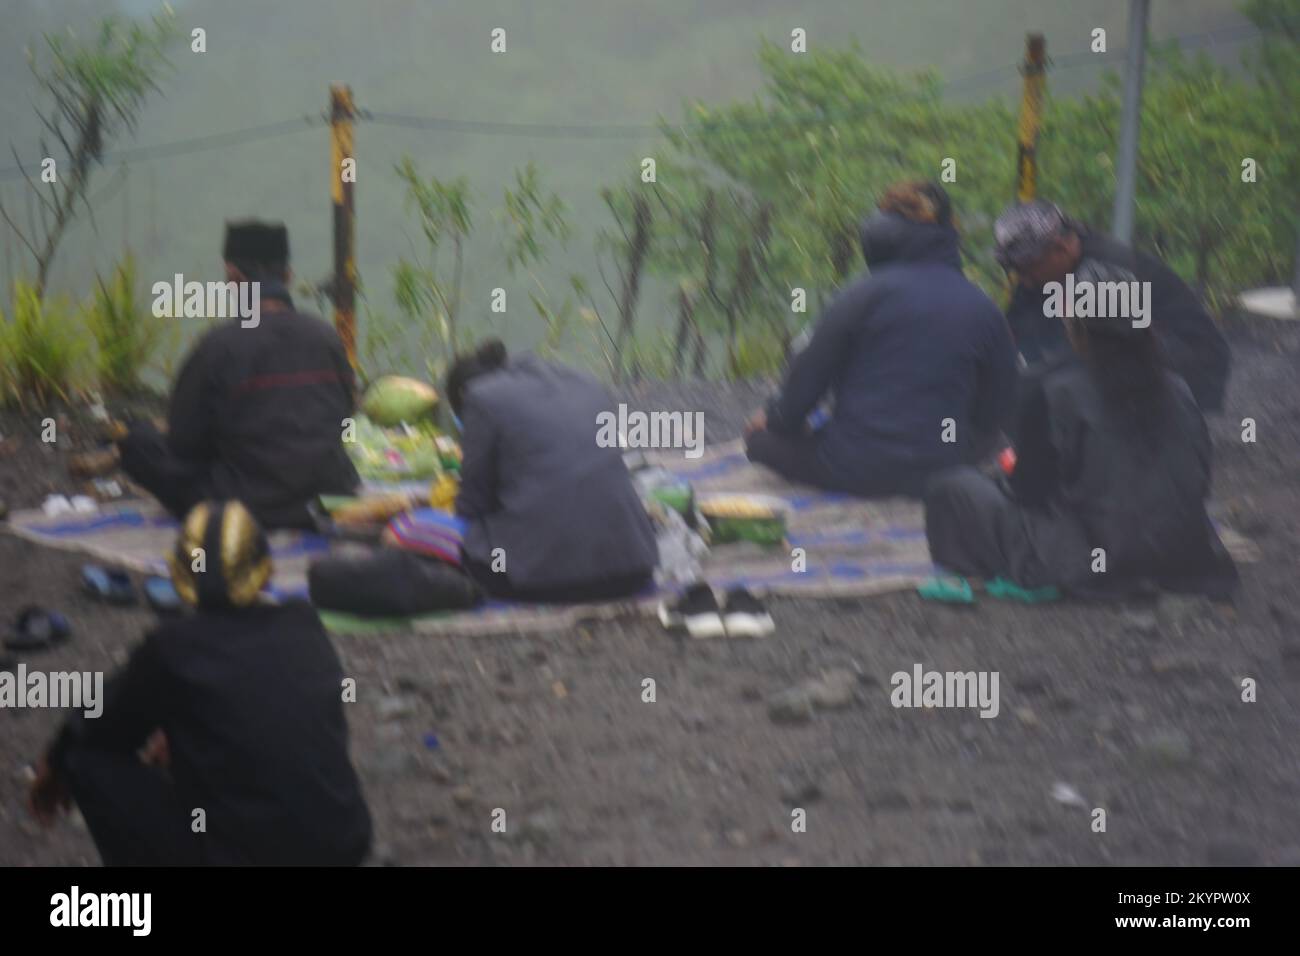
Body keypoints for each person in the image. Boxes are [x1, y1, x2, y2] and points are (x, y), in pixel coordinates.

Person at [28, 500, 373, 866]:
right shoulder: (304, 625)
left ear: (179, 576)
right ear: (266, 573)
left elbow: (99, 726)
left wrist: (55, 759)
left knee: (84, 758)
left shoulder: (173, 648)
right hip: (344, 847)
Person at [924, 259, 1239, 600]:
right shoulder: (1179, 388)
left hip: (1091, 559)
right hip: (1183, 554)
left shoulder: (1053, 391)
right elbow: (1199, 474)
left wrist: (1012, 472)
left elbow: (1029, 493)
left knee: (951, 486)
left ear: (1079, 327)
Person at [75, 220, 360, 529]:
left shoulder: (218, 346)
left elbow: (184, 444)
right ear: (288, 277)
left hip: (248, 506)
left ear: (234, 277)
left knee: (139, 444)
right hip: (330, 496)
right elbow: (346, 414)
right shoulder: (327, 337)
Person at [744, 180, 1018, 497]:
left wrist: (775, 418)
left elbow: (802, 388)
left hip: (852, 468)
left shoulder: (860, 296)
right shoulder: (984, 308)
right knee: (988, 442)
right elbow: (997, 405)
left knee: (761, 443)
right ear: (949, 233)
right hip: (941, 470)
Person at [448, 339, 659, 601]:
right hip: (633, 571)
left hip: (544, 581)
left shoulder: (481, 397)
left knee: (452, 542)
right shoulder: (589, 384)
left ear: (462, 395)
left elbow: (471, 505)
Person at [996, 199, 1230, 412]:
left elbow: (1097, 357)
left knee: (1055, 389)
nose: (1023, 277)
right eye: (1015, 269)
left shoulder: (1103, 275)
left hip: (1190, 366)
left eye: (1027, 266)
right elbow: (1014, 330)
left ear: (1061, 248)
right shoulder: (1045, 270)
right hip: (1138, 363)